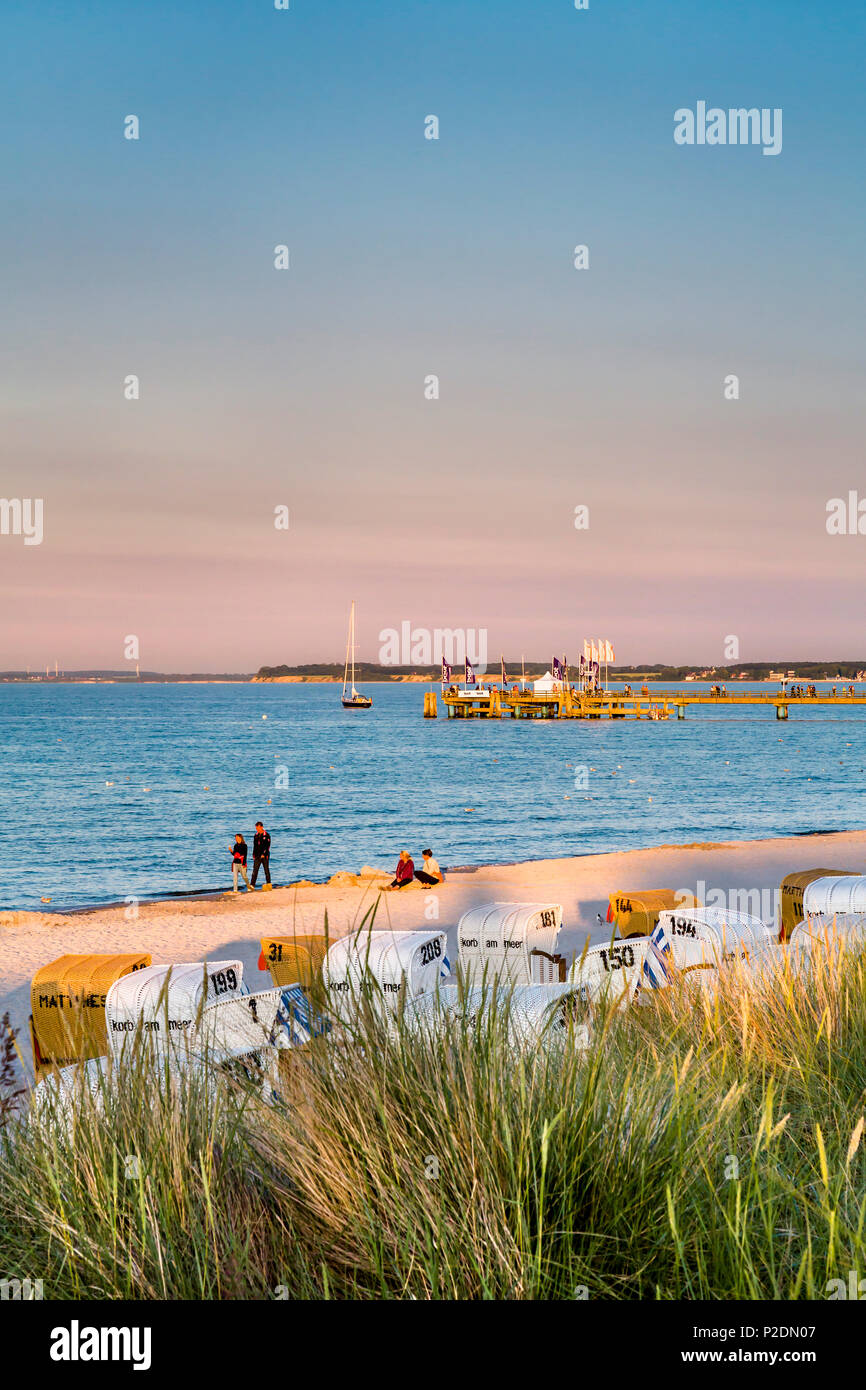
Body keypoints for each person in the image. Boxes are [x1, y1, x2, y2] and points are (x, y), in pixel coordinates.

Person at [251, 821, 272, 888]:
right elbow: (254, 845)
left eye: (258, 828)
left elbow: (267, 846)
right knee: (255, 870)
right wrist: (253, 854)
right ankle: (252, 885)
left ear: (261, 827)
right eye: (256, 828)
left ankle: (268, 883)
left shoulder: (266, 835)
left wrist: (264, 854)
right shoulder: (256, 835)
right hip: (257, 855)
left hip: (265, 856)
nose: (257, 829)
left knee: (266, 870)